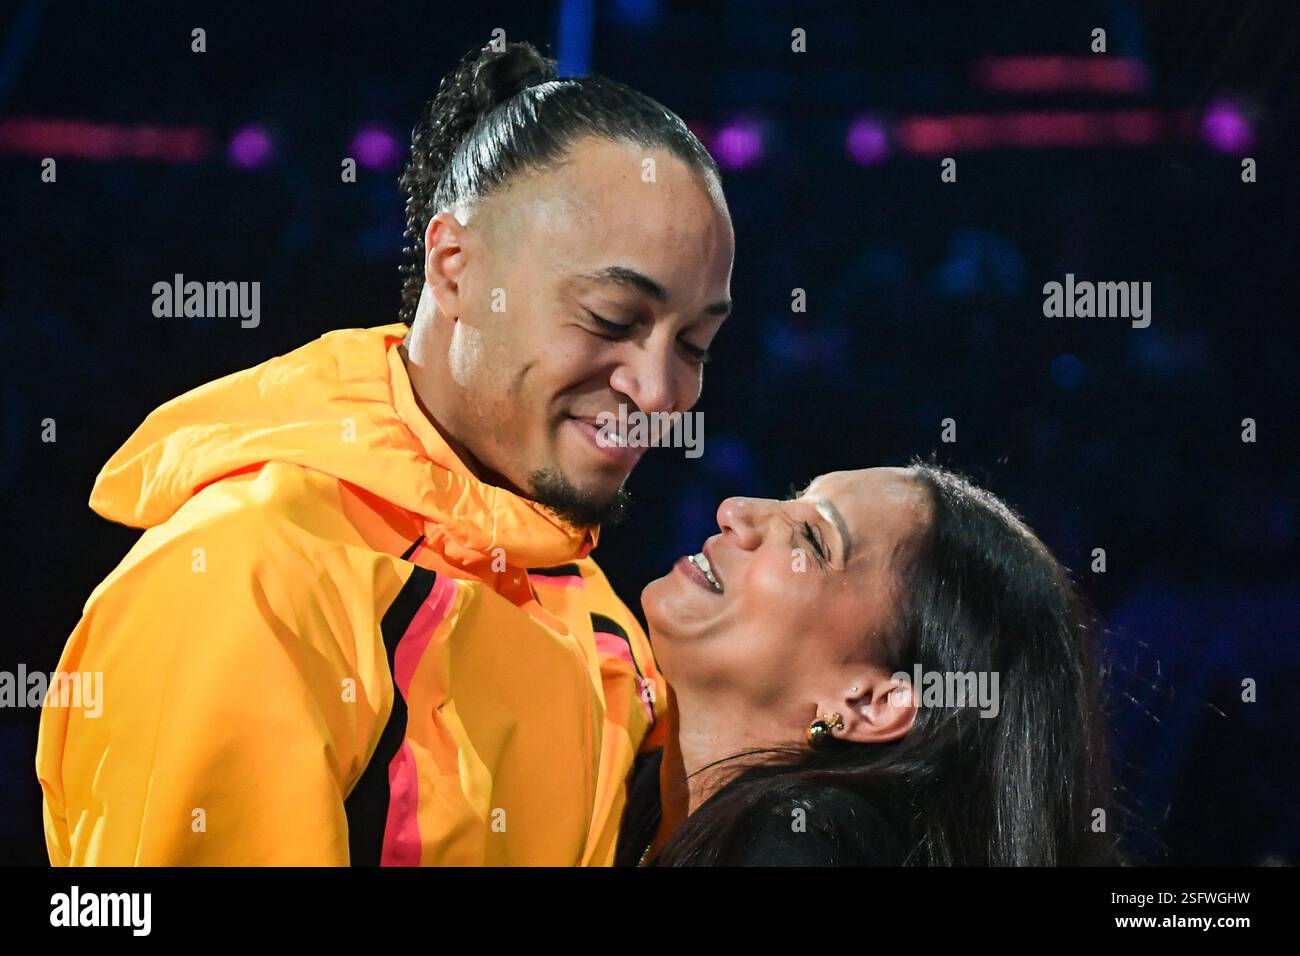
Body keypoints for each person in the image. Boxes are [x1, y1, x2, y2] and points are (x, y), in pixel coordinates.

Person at [36, 40, 735, 865]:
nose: (659, 392)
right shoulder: (249, 577)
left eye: (694, 344)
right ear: (455, 268)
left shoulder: (598, 614)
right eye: (612, 319)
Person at [617, 463, 1122, 866]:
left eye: (812, 541)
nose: (736, 510)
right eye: (792, 499)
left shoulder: (800, 845)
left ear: (870, 702)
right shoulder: (624, 769)